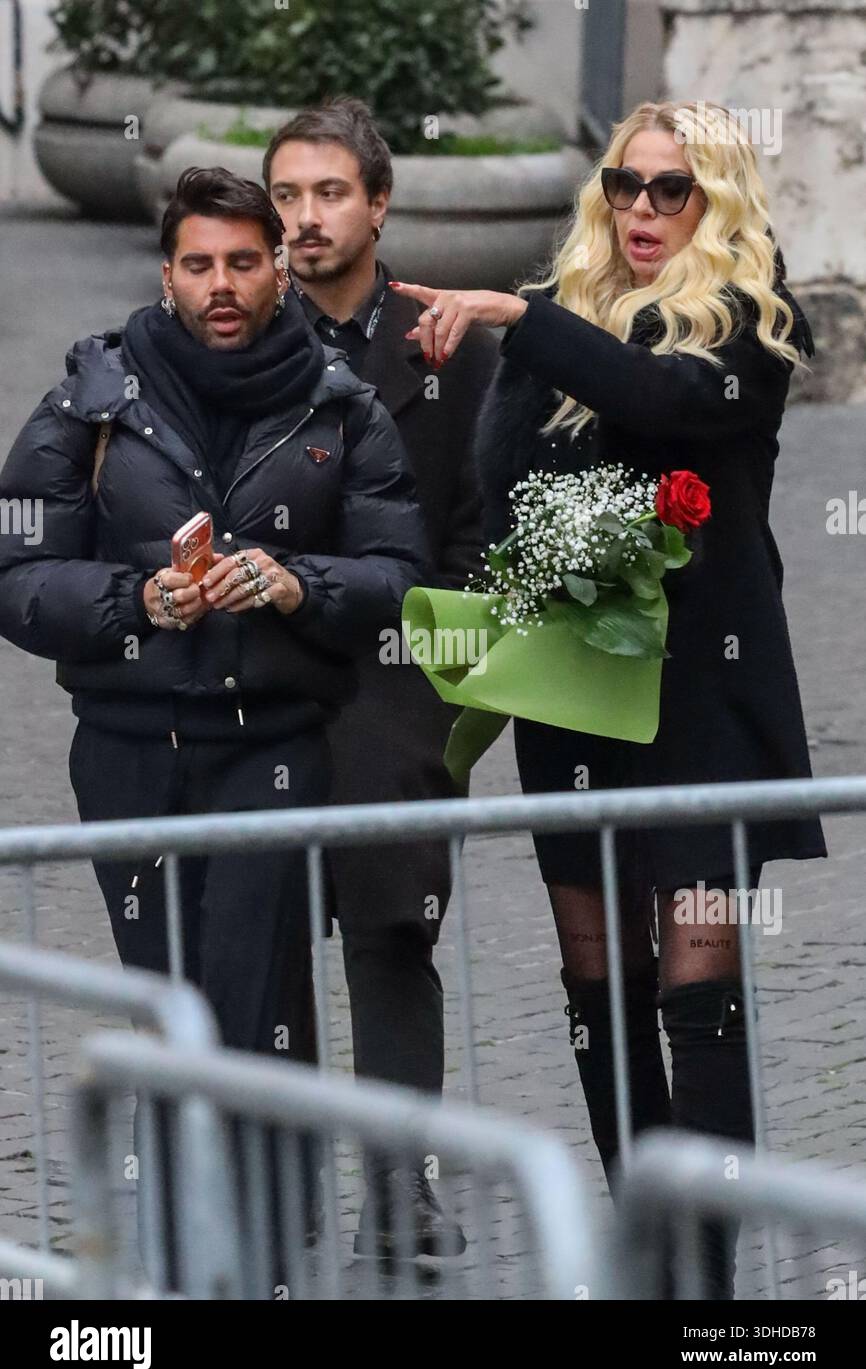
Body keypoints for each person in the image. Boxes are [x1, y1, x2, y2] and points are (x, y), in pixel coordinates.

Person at [392, 100, 828, 1298]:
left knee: (700, 990)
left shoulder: (755, 316)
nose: (640, 209)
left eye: (670, 190)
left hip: (703, 698)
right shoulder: (566, 309)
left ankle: (710, 1284)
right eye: (624, 185)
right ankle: (648, 1251)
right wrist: (554, 537)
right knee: (600, 988)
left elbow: (673, 406)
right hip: (578, 699)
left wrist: (516, 319)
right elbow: (499, 479)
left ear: (715, 198)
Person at [0, 166, 428, 1277]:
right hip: (130, 753)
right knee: (170, 1008)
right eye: (199, 263)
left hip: (273, 750)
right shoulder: (89, 397)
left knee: (243, 1006)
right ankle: (197, 1255)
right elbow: (15, 574)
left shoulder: (339, 403)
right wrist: (129, 600)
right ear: (167, 273)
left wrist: (301, 586)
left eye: (244, 261)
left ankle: (253, 1253)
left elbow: (395, 572)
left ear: (277, 266)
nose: (222, 285)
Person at [263, 97, 499, 1258]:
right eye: (287, 197)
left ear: (379, 201)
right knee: (258, 938)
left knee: (391, 935)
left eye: (328, 194)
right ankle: (280, 1188)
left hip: (398, 684)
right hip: (254, 680)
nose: (304, 220)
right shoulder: (239, 332)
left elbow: (482, 537)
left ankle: (400, 1187)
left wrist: (434, 695)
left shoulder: (450, 340)